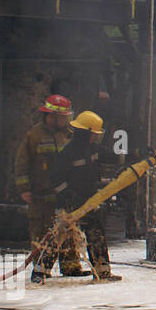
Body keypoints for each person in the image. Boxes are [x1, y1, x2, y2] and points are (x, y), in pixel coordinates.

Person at [14, 94, 86, 283]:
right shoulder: (34, 136)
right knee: (42, 232)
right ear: (51, 116)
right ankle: (41, 270)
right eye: (64, 117)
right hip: (40, 194)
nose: (67, 120)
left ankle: (71, 267)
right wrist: (24, 189)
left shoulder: (69, 134)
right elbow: (21, 164)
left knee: (68, 229)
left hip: (64, 193)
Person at [50, 110, 121, 282]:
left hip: (88, 201)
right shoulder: (68, 153)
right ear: (85, 133)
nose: (95, 138)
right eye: (94, 135)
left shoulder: (93, 150)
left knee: (95, 233)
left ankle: (102, 271)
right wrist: (70, 196)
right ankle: (41, 271)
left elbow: (114, 157)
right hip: (70, 203)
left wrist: (136, 153)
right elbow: (56, 179)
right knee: (60, 236)